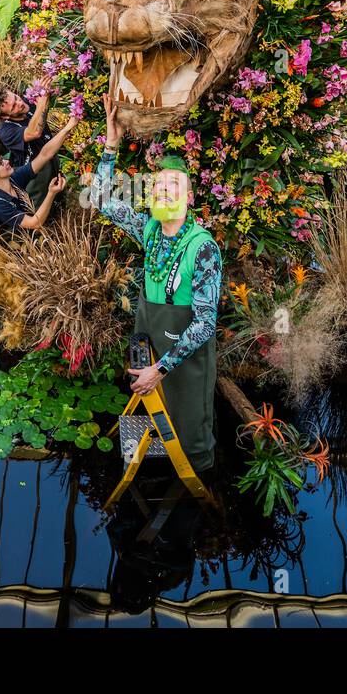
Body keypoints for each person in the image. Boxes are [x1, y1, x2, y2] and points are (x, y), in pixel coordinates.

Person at [92, 92, 222, 473]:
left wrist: (159, 370)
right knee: (141, 418)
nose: (164, 191)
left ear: (190, 197)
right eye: (158, 186)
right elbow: (100, 197)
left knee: (186, 427)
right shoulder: (148, 230)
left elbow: (205, 324)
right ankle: (143, 471)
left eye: (173, 186)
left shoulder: (203, 248)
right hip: (145, 337)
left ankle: (191, 482)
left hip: (180, 358)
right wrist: (111, 143)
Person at [0, 114, 77, 237]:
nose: (6, 161)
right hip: (12, 250)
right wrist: (51, 193)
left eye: (2, 158)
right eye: (0, 163)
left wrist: (68, 126)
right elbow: (35, 223)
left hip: (26, 238)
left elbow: (44, 155)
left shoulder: (14, 178)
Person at [0, 84, 59, 210]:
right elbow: (34, 132)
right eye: (13, 107)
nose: (20, 103)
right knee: (38, 209)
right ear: (5, 117)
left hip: (50, 155)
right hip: (35, 172)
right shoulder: (5, 131)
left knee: (59, 194)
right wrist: (41, 104)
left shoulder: (25, 100)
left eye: (16, 98)